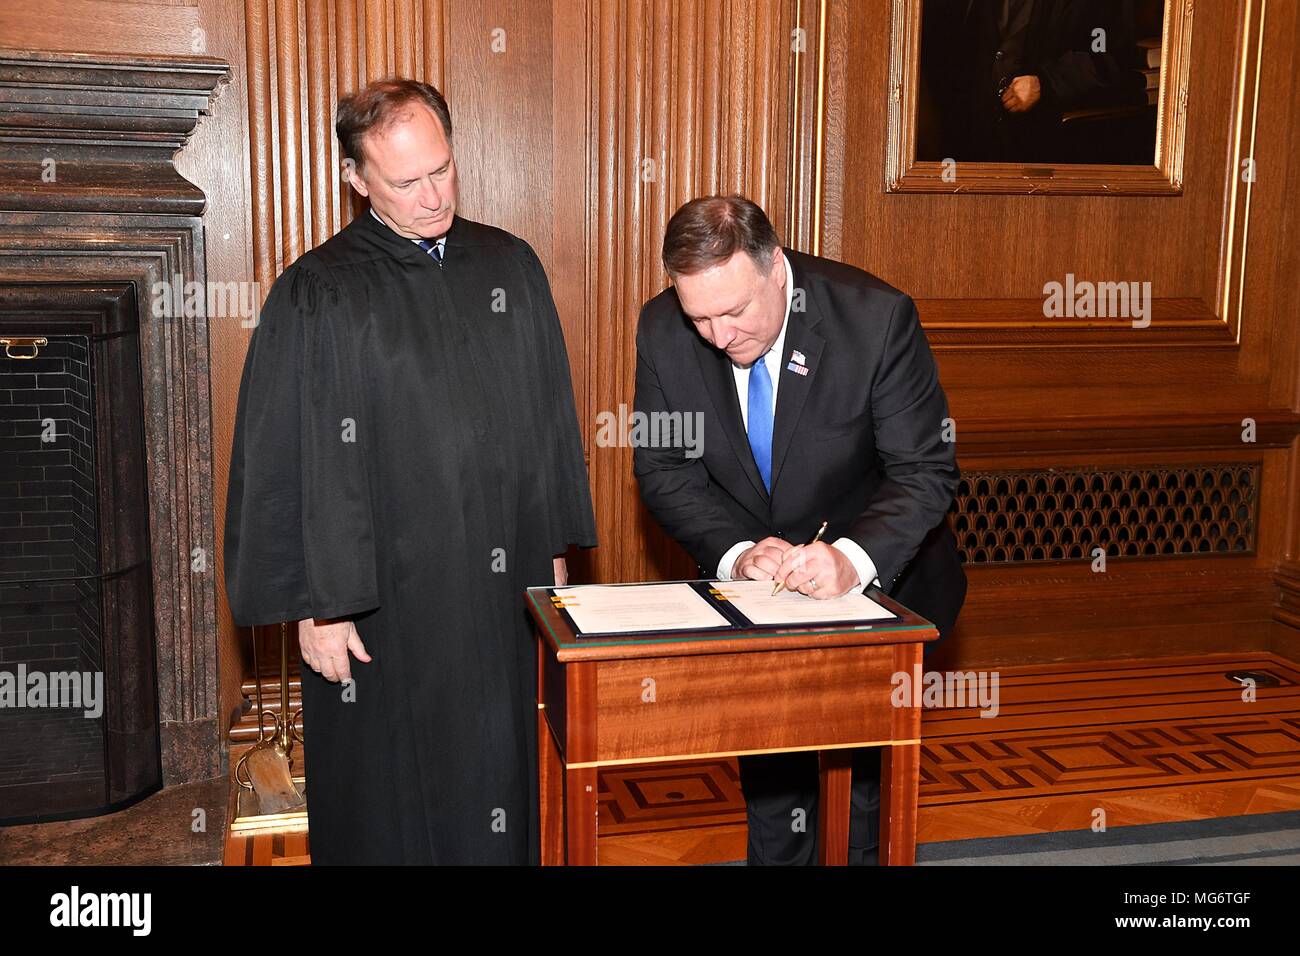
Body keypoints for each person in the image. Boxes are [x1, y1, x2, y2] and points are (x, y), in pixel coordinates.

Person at [223, 78, 596, 864]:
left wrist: (555, 544)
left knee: (496, 779)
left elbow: (549, 419)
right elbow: (278, 455)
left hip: (497, 592)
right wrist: (314, 608)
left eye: (443, 170)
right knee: (385, 798)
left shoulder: (510, 266)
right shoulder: (317, 290)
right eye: (405, 181)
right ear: (357, 180)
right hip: (375, 604)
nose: (432, 197)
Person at [633, 195, 966, 865]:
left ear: (776, 268)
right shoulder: (664, 330)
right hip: (761, 599)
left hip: (881, 588)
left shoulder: (874, 320)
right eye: (700, 317)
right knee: (773, 787)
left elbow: (925, 470)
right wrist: (736, 552)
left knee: (864, 802)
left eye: (734, 312)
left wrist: (852, 558)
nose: (719, 337)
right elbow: (664, 468)